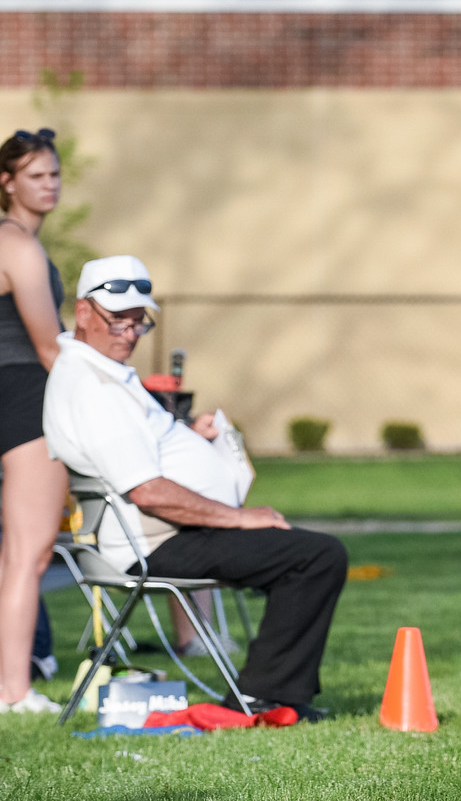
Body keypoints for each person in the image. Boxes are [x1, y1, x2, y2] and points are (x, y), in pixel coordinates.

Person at [43, 256, 346, 721]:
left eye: (139, 321)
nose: (130, 332)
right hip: (153, 543)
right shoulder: (93, 386)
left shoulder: (99, 370)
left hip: (163, 534)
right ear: (83, 312)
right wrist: (241, 517)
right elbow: (148, 492)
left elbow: (139, 454)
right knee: (314, 557)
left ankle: (269, 692)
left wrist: (186, 435)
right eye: (118, 319)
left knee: (305, 553)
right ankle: (263, 698)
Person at [0, 128, 69, 714]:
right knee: (28, 553)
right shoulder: (17, 244)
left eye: (54, 174)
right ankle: (15, 692)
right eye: (36, 176)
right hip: (24, 395)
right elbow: (50, 348)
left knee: (14, 553)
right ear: (7, 182)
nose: (50, 186)